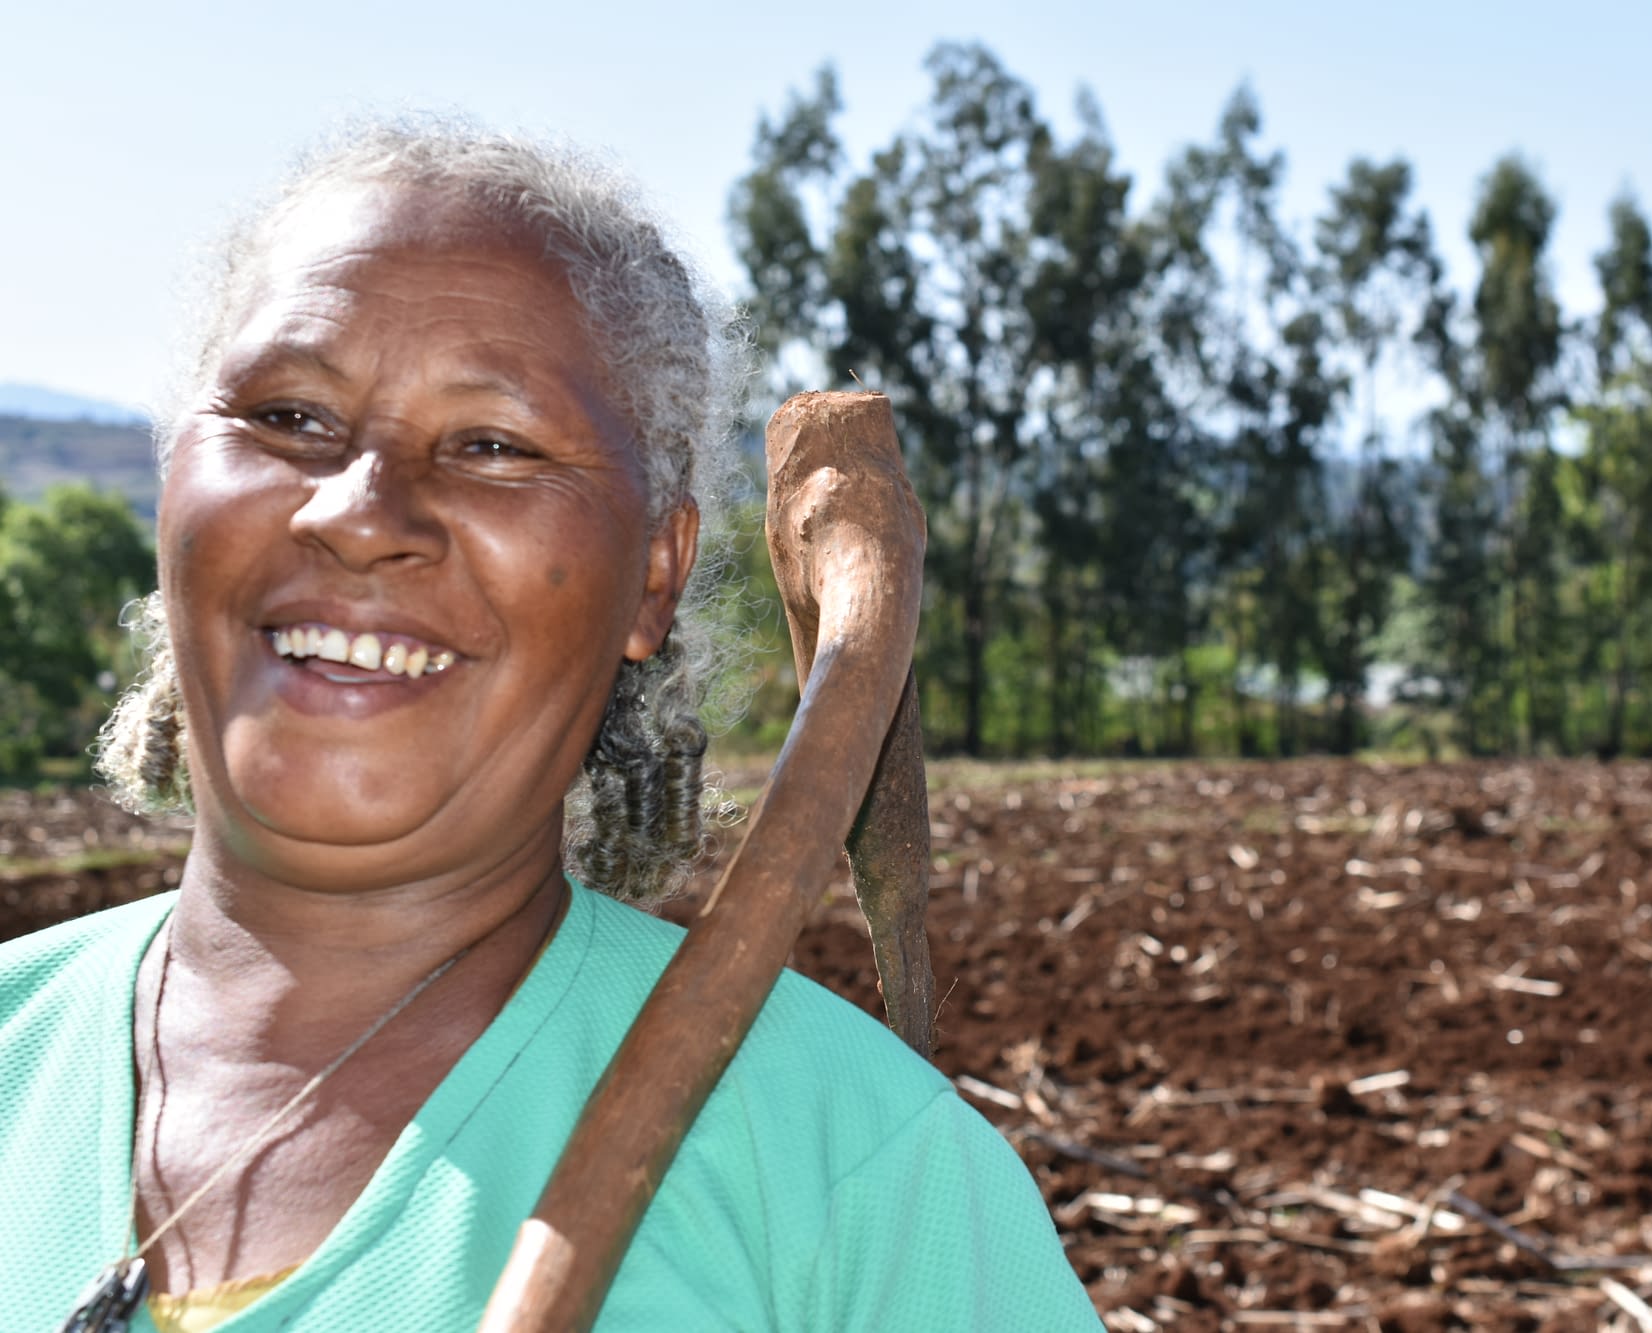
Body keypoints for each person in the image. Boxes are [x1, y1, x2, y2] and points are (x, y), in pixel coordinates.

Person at [0, 119, 1101, 1331]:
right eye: (288, 416)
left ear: (653, 575)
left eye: (492, 445)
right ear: (172, 487)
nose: (360, 513)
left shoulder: (857, 1173)